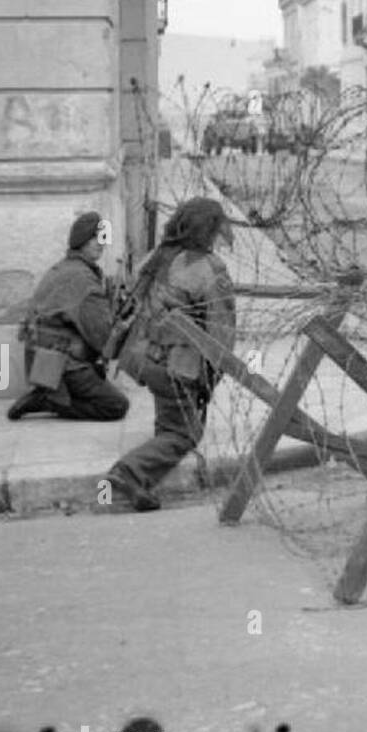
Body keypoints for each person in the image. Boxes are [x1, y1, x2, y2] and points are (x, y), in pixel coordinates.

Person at [104, 197, 236, 512]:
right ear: (209, 231)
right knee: (185, 433)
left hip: (142, 358)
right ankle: (128, 474)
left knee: (172, 419)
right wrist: (213, 376)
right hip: (174, 366)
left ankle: (151, 457)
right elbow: (221, 334)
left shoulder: (159, 255)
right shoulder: (210, 269)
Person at [8, 212, 130, 422]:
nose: (101, 244)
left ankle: (50, 394)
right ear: (81, 241)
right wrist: (123, 322)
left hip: (40, 362)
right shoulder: (83, 280)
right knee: (116, 405)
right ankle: (47, 401)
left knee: (98, 375)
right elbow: (103, 339)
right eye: (95, 238)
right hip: (60, 365)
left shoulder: (63, 268)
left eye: (103, 238)